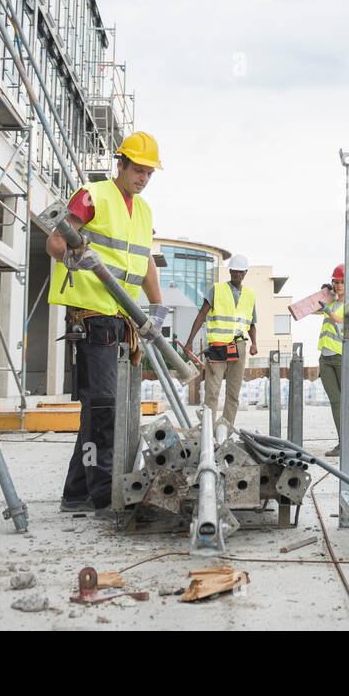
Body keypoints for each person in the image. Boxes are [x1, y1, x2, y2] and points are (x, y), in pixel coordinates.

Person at [45, 132, 169, 513]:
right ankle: (101, 495)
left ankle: (76, 493)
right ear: (120, 163)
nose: (143, 178)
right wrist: (70, 257)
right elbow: (54, 241)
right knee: (104, 408)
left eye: (149, 172)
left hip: (123, 317)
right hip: (93, 314)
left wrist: (158, 308)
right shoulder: (93, 195)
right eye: (137, 170)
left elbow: (144, 261)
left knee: (100, 410)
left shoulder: (143, 211)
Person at [185, 254, 257, 430]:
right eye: (234, 271)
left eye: (241, 272)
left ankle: (226, 429)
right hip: (218, 346)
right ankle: (208, 430)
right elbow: (202, 315)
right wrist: (189, 342)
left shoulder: (250, 295)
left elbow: (252, 323)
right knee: (212, 390)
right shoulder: (216, 290)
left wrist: (254, 343)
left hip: (239, 346)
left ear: (245, 273)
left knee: (234, 391)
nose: (237, 274)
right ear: (230, 271)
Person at [313, 264, 349, 457]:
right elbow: (310, 309)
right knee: (335, 400)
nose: (338, 285)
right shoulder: (332, 303)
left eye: (342, 282)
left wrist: (328, 311)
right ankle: (345, 439)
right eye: (336, 281)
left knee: (345, 398)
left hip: (345, 356)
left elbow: (346, 327)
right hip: (326, 357)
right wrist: (324, 295)